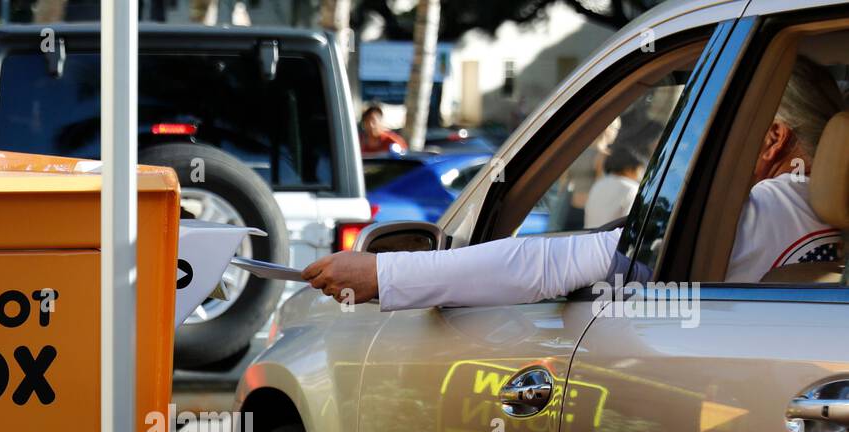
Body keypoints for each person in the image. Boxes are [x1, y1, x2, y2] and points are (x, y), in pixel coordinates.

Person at [305, 56, 845, 307]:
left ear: (772, 140)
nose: (698, 152)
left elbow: (555, 265)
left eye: (718, 131)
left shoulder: (764, 209)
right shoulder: (818, 219)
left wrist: (387, 272)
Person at [584, 141, 649, 228]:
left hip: (591, 236)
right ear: (628, 168)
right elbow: (629, 224)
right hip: (613, 239)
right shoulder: (631, 188)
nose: (641, 173)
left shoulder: (599, 184)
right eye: (639, 169)